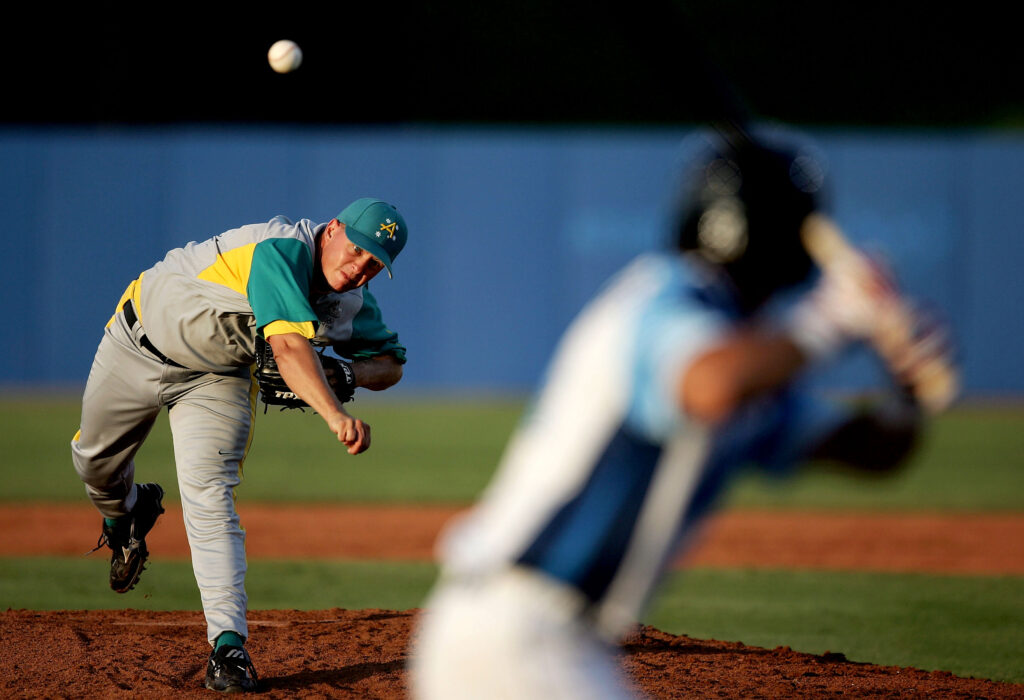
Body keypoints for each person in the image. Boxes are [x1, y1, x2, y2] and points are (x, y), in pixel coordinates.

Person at [408, 130, 956, 699]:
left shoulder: (739, 352)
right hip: (518, 632)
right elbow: (712, 385)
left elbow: (869, 452)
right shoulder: (665, 302)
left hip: (540, 639)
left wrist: (905, 396)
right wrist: (831, 320)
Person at [71, 197, 409, 693]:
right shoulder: (280, 250)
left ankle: (228, 647)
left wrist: (348, 372)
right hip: (136, 342)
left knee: (210, 495)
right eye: (357, 250)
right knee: (95, 463)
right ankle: (126, 513)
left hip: (217, 377)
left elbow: (392, 364)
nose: (360, 268)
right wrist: (334, 412)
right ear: (333, 229)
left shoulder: (351, 302)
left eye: (376, 264)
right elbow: (290, 347)